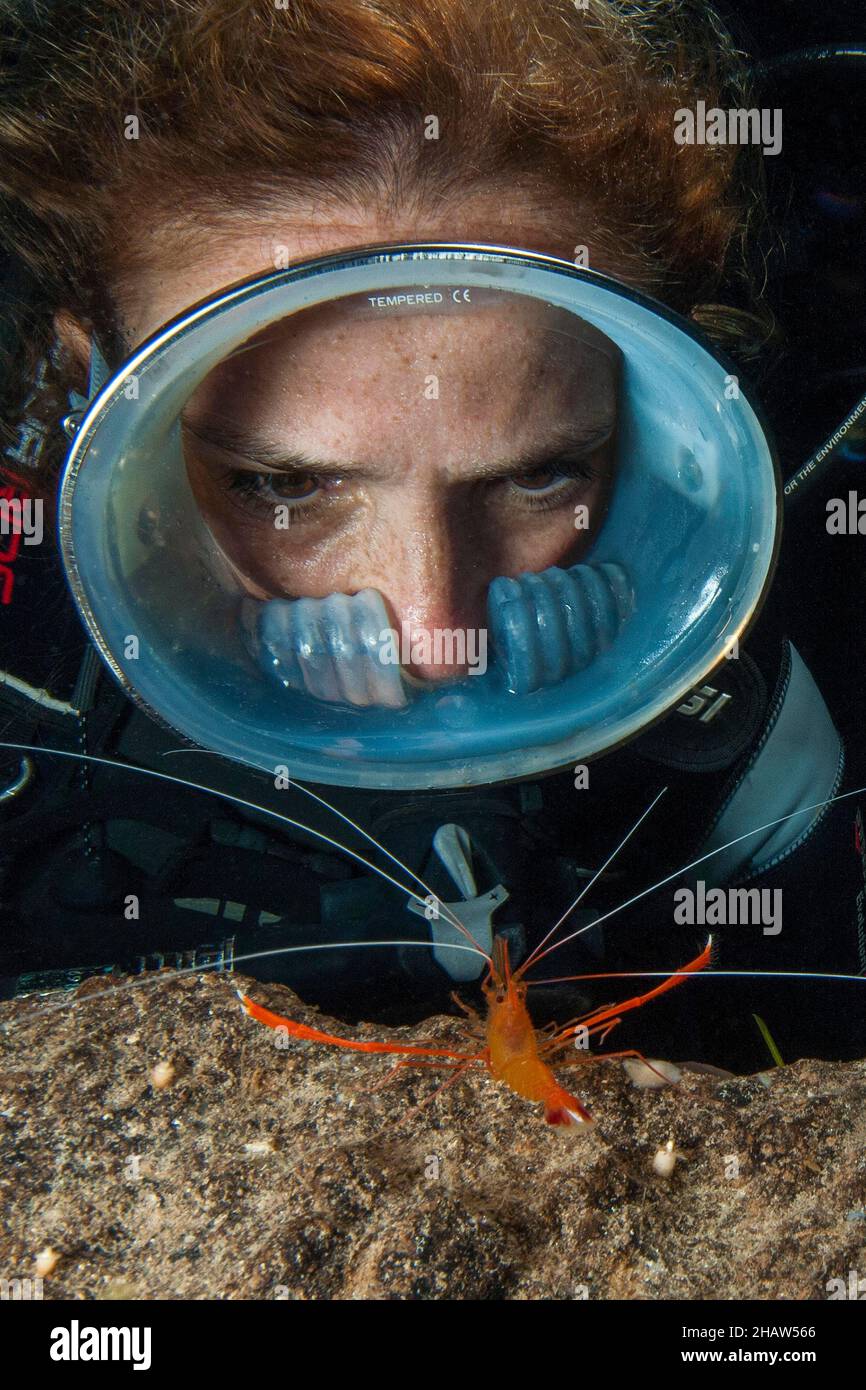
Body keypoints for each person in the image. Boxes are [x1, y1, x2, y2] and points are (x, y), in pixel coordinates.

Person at [0, 0, 863, 1070]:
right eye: (283, 482)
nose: (428, 633)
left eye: (541, 471)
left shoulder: (740, 744)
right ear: (87, 408)